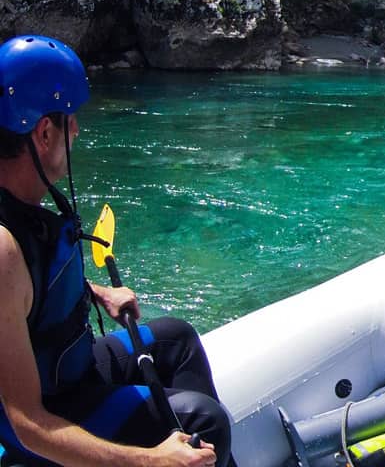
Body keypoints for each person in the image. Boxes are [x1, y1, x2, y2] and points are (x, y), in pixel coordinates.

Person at [0, 34, 235, 467]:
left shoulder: (21, 208)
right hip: (52, 414)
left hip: (74, 371)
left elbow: (28, 295)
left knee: (177, 339)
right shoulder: (1, 249)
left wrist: (94, 291)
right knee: (205, 421)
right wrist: (151, 460)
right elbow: (25, 424)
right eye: (69, 120)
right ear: (43, 132)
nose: (77, 130)